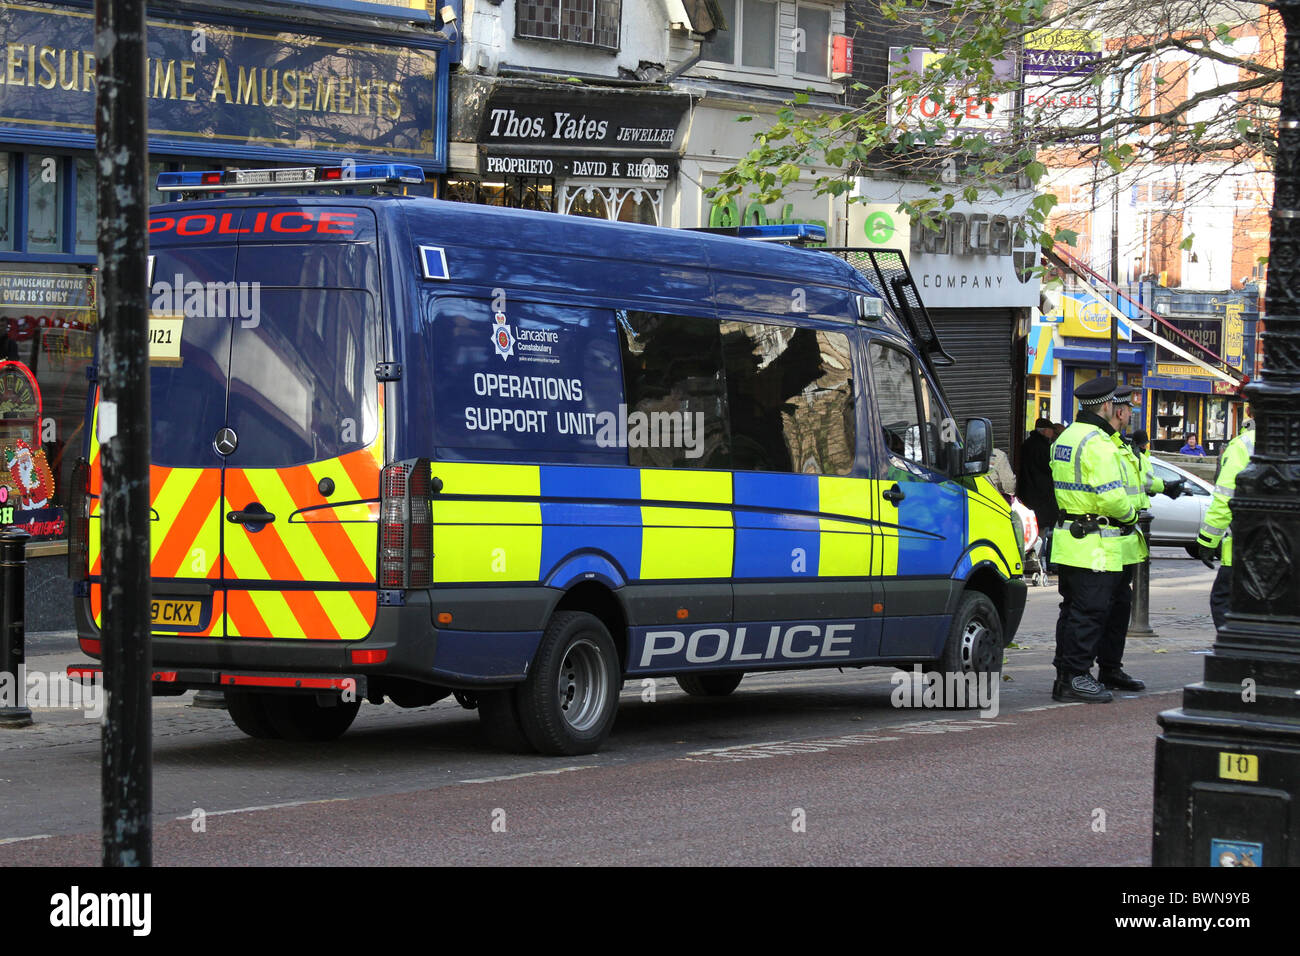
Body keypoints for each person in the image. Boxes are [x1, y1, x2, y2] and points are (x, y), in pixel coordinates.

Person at [1049, 376, 1141, 703]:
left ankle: (1066, 676)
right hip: (1095, 544)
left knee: (1073, 610)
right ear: (1106, 406)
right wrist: (1131, 516)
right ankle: (1076, 676)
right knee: (1089, 613)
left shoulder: (1066, 437)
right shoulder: (1099, 443)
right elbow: (1112, 499)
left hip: (1069, 540)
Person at [1197, 410, 1255, 630]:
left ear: (1249, 411)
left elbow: (1225, 499)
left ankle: (1235, 656)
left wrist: (1207, 540)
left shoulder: (1243, 445)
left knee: (1223, 602)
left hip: (1244, 548)